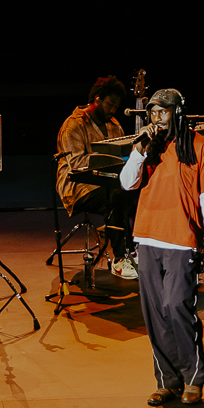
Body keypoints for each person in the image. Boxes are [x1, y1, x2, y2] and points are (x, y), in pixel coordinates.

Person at [118, 87, 204, 407]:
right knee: (155, 314)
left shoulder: (199, 145)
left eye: (162, 112)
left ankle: (194, 377)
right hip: (148, 235)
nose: (156, 118)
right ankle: (167, 381)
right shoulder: (149, 146)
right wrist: (139, 149)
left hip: (181, 237)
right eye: (152, 113)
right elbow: (126, 182)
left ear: (177, 113)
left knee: (177, 305)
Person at [56, 76, 140, 280]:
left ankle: (134, 248)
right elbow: (76, 164)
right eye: (110, 104)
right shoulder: (73, 125)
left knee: (140, 193)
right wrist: (109, 160)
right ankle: (120, 260)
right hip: (78, 187)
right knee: (116, 197)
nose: (113, 110)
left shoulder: (113, 124)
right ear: (96, 99)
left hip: (108, 182)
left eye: (116, 106)